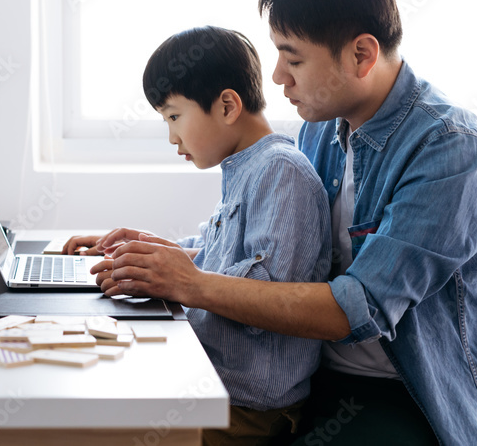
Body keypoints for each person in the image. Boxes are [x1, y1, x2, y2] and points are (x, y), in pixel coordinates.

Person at [92, 0, 477, 445]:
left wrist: (190, 284)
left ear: (361, 54)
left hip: (412, 395)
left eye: (293, 58)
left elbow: (355, 309)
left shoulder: (452, 150)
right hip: (312, 375)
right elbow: (278, 256)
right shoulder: (322, 128)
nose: (277, 76)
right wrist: (156, 259)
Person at [65, 26, 331, 446]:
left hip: (247, 408)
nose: (172, 137)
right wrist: (152, 249)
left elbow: (270, 298)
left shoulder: (282, 173)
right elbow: (218, 255)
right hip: (216, 385)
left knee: (89, 426)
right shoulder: (246, 167)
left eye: (174, 117)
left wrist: (176, 276)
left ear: (227, 105)